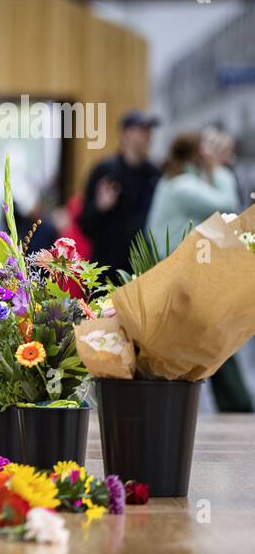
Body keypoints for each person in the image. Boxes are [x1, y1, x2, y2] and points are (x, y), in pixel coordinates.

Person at [146, 131, 252, 412]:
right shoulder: (182, 185)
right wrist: (217, 168)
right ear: (196, 155)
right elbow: (228, 203)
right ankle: (238, 404)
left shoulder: (178, 181)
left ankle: (234, 403)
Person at [79, 110, 161, 278]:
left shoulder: (155, 174)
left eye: (150, 130)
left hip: (143, 269)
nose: (148, 135)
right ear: (126, 134)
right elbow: (84, 223)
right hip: (108, 271)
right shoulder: (105, 171)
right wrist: (100, 207)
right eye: (142, 130)